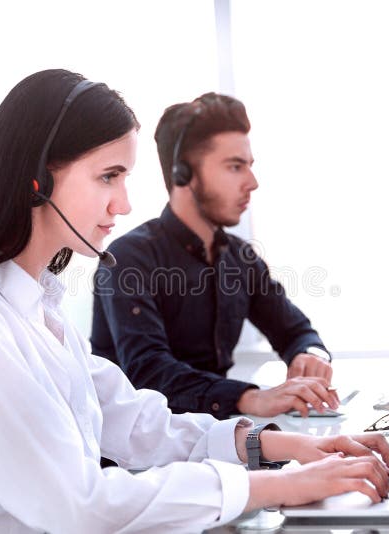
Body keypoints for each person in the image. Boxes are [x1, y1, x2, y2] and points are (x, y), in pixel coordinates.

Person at [0, 69, 389, 533]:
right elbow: (80, 505)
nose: (124, 202)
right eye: (108, 177)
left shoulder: (38, 310)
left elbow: (140, 423)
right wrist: (275, 487)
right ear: (38, 177)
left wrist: (285, 447)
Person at [91, 92, 339, 420]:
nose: (252, 182)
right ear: (183, 175)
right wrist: (250, 398)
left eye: (249, 167)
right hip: (139, 459)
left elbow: (295, 331)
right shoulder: (127, 258)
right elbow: (149, 373)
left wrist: (310, 354)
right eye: (235, 167)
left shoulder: (241, 258)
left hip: (216, 442)